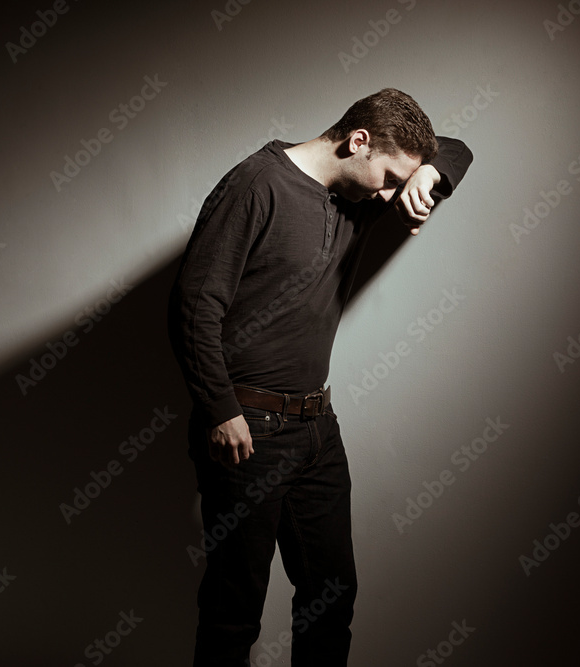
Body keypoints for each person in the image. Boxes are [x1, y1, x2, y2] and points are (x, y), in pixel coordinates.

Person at [166, 88, 473, 666]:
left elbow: (458, 149)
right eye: (387, 176)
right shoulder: (256, 185)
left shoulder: (359, 191)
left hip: (317, 429)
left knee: (331, 600)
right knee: (235, 610)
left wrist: (422, 176)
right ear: (357, 142)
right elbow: (192, 306)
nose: (389, 195)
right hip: (246, 430)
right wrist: (220, 410)